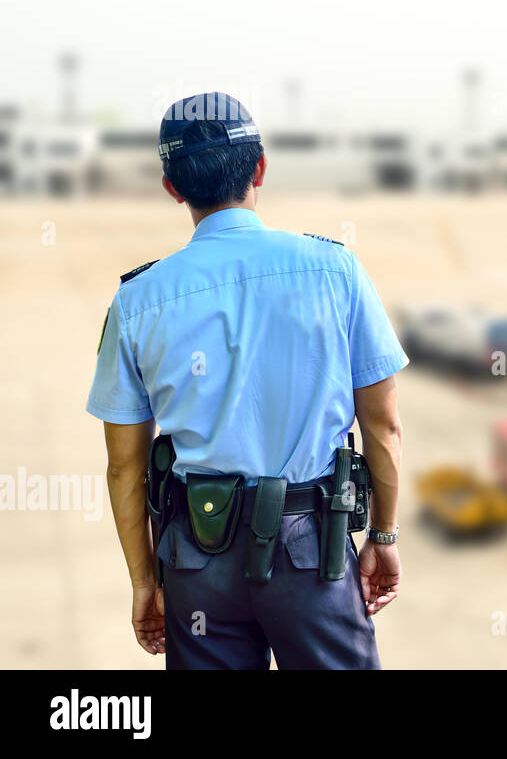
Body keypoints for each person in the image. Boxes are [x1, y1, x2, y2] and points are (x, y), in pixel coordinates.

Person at [87, 91, 407, 669]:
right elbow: (383, 426)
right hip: (315, 554)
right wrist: (383, 536)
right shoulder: (336, 271)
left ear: (172, 187)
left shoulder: (136, 301)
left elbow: (124, 467)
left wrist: (144, 580)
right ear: (259, 167)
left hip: (197, 561)